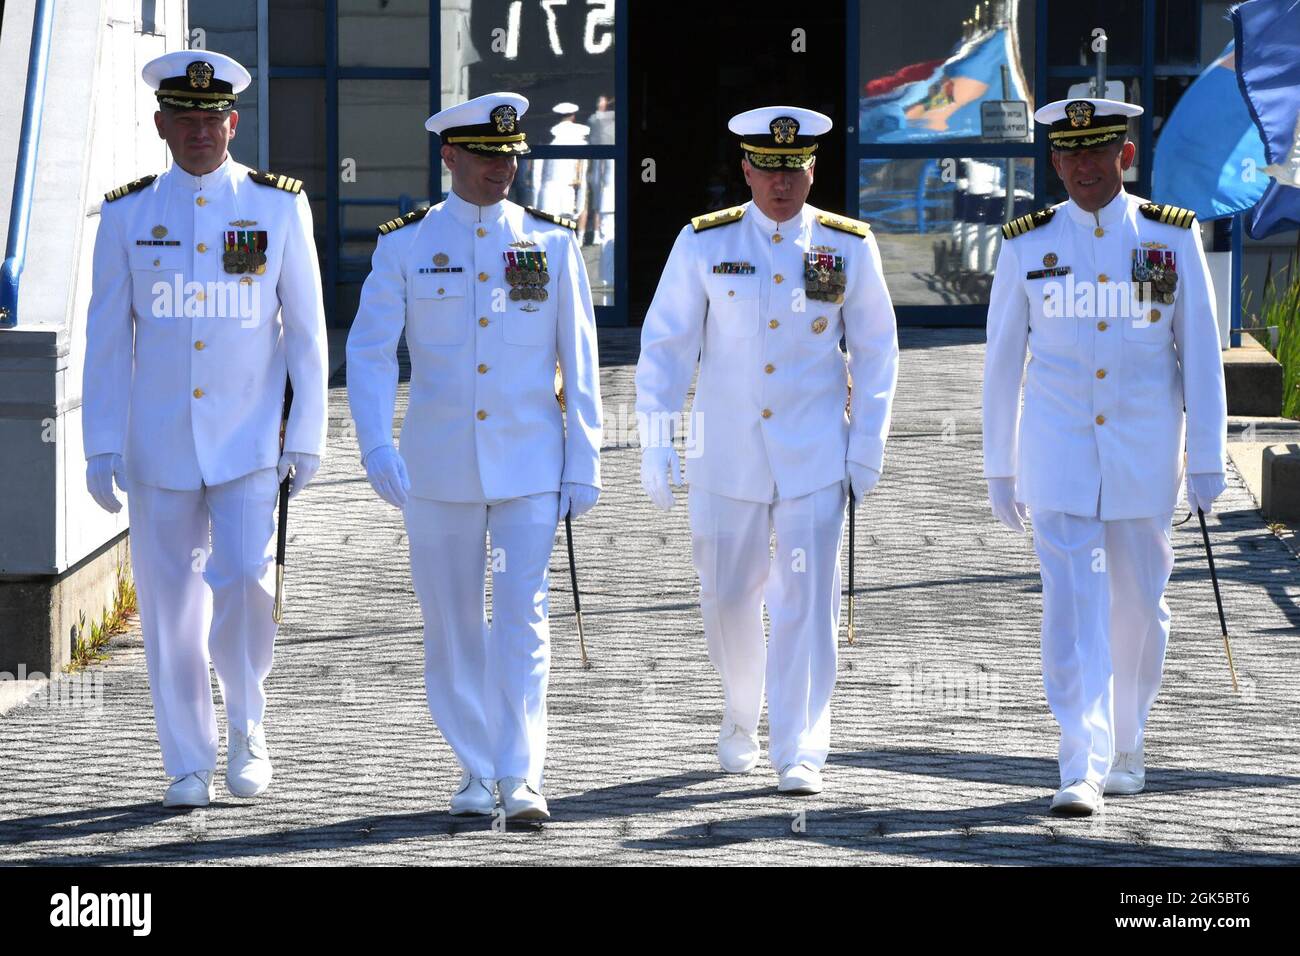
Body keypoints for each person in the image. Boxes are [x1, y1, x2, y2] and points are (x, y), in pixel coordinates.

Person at [346, 92, 602, 821]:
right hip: (437, 466)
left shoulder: (550, 244)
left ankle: (519, 773)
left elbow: (579, 358)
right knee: (453, 621)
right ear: (450, 156)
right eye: (488, 156)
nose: (503, 168)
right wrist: (374, 443)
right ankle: (473, 765)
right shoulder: (407, 245)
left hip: (529, 461)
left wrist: (584, 458)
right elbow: (368, 353)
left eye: (512, 155)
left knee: (522, 615)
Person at [83, 50, 328, 808]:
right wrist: (100, 442)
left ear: (233, 121)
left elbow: (308, 331)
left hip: (249, 441)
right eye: (183, 119)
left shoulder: (277, 205)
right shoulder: (128, 213)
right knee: (169, 607)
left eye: (210, 119)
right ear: (161, 124)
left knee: (248, 588)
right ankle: (188, 760)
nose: (199, 132)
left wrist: (306, 431)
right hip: (159, 445)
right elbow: (106, 336)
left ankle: (249, 726)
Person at [635, 106, 899, 795]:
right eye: (768, 167)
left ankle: (801, 747)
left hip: (814, 453)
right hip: (727, 457)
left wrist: (867, 445)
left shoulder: (847, 246)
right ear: (746, 169)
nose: (782, 181)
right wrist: (659, 443)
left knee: (807, 604)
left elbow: (875, 351)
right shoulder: (703, 242)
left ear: (813, 169)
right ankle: (740, 713)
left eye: (795, 167)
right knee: (726, 599)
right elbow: (666, 348)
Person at [982, 97, 1228, 816]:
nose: (1085, 166)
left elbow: (1202, 355)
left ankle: (1129, 741)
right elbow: (1001, 363)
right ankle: (1078, 759)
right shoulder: (1027, 244)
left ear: (1124, 155)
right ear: (1054, 161)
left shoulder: (1169, 238)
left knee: (1139, 608)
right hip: (1058, 456)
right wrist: (1001, 464)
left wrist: (1207, 456)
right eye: (1071, 154)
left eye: (1099, 151)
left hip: (1144, 456)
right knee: (1071, 608)